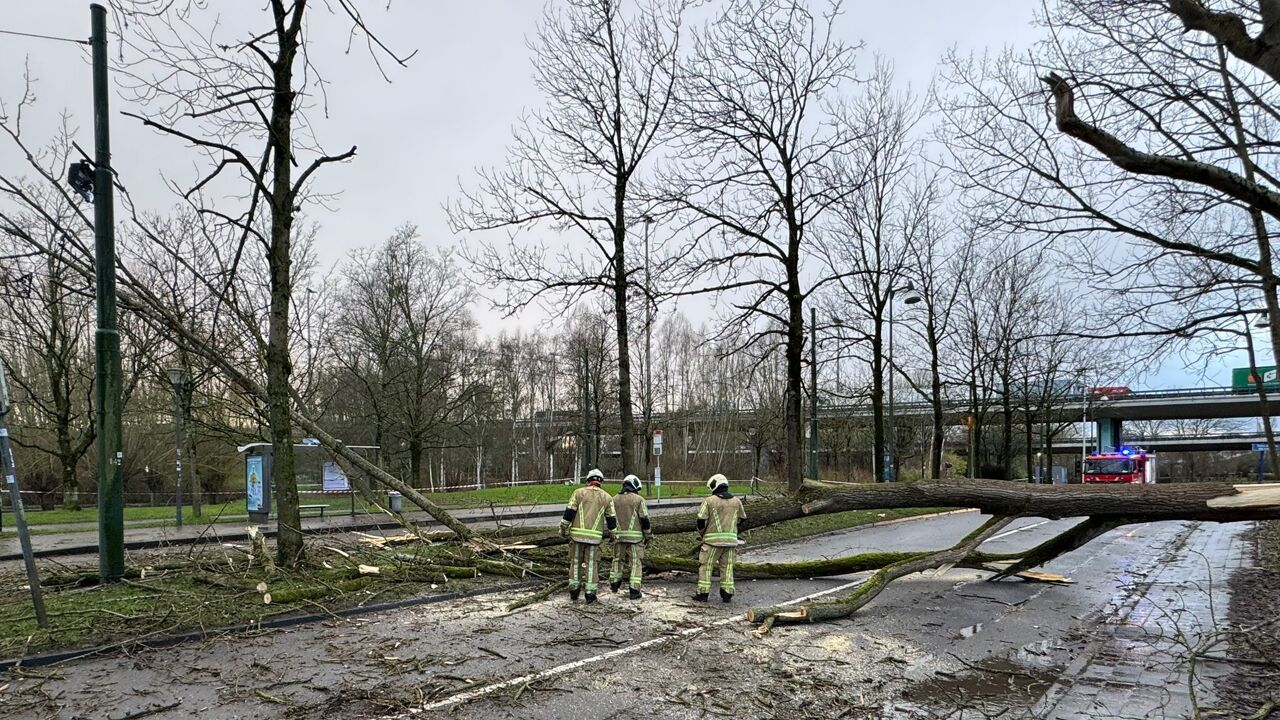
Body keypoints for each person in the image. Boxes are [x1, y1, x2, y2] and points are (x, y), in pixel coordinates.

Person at [559, 468, 616, 604]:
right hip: (594, 539)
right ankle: (590, 594)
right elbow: (611, 519)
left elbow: (569, 512)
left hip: (576, 536)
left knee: (576, 562)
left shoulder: (578, 493)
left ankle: (574, 591)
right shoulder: (607, 497)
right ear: (600, 482)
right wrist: (614, 535)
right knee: (591, 565)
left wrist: (563, 527)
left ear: (588, 480)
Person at [693, 473, 746, 603]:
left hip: (712, 542)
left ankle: (703, 593)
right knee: (727, 567)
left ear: (715, 485)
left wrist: (702, 533)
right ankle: (727, 593)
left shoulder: (709, 501)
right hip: (730, 542)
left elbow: (701, 520)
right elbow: (743, 518)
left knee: (706, 566)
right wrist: (733, 530)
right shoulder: (736, 501)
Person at [608, 474, 653, 599]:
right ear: (635, 487)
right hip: (635, 539)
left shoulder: (614, 499)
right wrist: (649, 535)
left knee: (617, 560)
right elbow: (645, 519)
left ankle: (614, 584)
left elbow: (610, 519)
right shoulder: (639, 500)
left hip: (619, 537)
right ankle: (634, 590)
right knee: (635, 563)